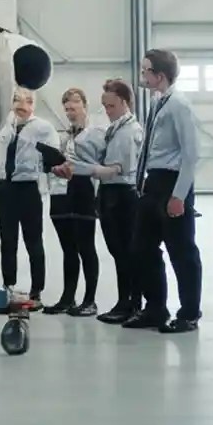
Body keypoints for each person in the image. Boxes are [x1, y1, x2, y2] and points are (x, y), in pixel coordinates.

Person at [124, 49, 202, 334]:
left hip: (172, 182)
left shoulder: (179, 105)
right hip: (153, 182)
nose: (142, 75)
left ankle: (189, 313)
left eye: (146, 71)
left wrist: (179, 195)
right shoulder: (158, 102)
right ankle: (155, 308)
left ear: (160, 75)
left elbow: (191, 153)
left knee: (182, 252)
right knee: (141, 248)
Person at [57, 78, 146, 324]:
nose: (107, 111)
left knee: (126, 251)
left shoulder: (129, 130)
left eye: (112, 105)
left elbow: (114, 170)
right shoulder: (115, 128)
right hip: (109, 194)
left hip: (122, 194)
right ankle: (125, 301)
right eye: (105, 106)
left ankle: (131, 303)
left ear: (125, 102)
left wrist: (79, 169)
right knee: (118, 251)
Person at [0, 87, 57, 314]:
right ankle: (8, 288)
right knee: (7, 241)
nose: (21, 104)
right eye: (16, 99)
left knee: (33, 241)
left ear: (34, 104)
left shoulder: (43, 128)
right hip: (6, 187)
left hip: (28, 188)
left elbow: (54, 156)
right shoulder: (5, 126)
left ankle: (36, 292)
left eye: (28, 100)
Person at [44, 88, 105, 316]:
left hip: (85, 194)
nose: (70, 112)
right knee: (68, 249)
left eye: (74, 107)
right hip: (62, 195)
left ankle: (90, 300)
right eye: (67, 108)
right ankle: (68, 297)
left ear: (85, 106)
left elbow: (100, 163)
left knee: (86, 248)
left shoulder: (96, 133)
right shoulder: (64, 136)